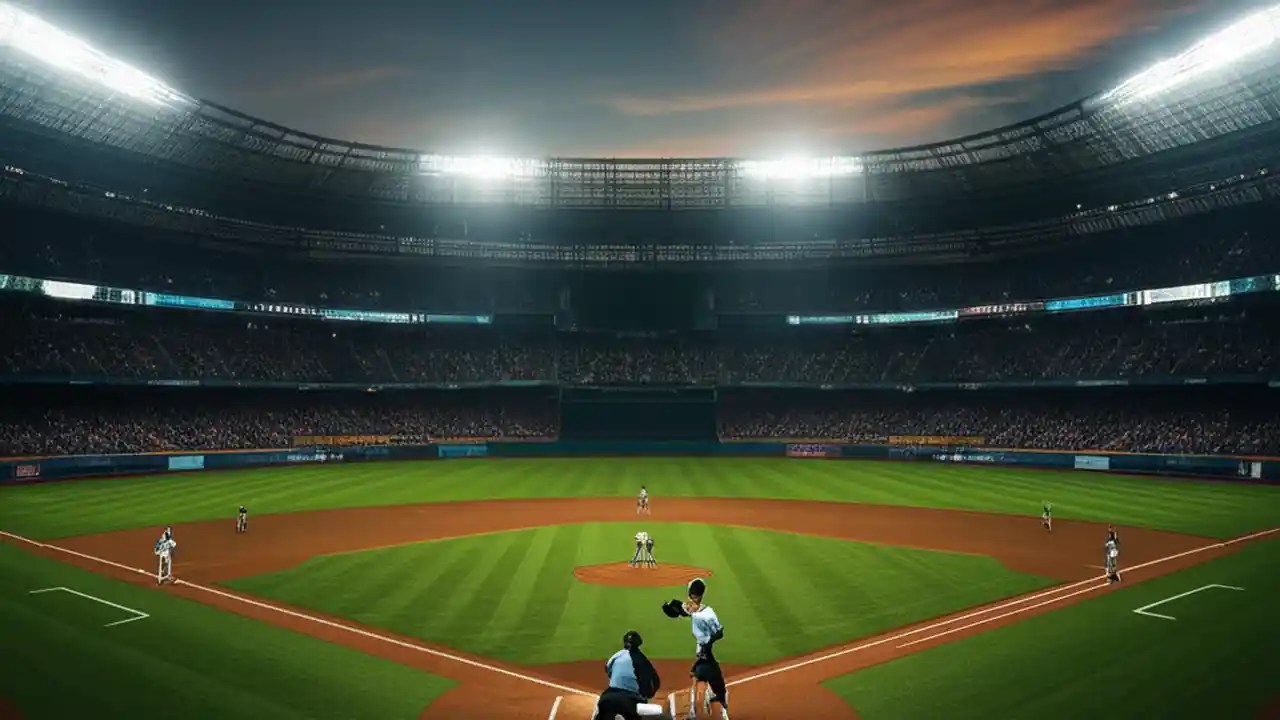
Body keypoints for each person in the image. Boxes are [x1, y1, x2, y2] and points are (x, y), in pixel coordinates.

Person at [662, 579, 729, 719]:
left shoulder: (705, 615)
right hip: (704, 648)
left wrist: (708, 644)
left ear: (696, 595)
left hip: (704, 649)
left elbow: (718, 633)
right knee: (713, 675)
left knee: (698, 676)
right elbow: (687, 610)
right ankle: (721, 699)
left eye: (693, 596)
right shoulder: (706, 610)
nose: (691, 600)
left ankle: (694, 711)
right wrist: (676, 607)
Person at [593, 630, 661, 720]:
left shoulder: (617, 655)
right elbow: (653, 681)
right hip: (629, 701)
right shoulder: (641, 659)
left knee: (602, 715)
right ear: (639, 643)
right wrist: (647, 695)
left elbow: (607, 669)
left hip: (607, 698)